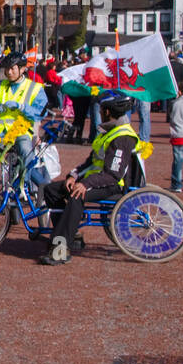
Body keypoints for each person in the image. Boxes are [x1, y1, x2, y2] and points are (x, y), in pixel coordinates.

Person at [38, 91, 141, 265]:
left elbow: (113, 175)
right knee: (52, 190)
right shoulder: (109, 130)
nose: (99, 112)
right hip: (97, 179)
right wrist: (73, 175)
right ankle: (72, 231)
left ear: (108, 111)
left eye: (102, 109)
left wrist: (84, 183)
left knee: (76, 195)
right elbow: (92, 161)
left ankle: (62, 248)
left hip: (113, 184)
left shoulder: (123, 137)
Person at [0, 51, 48, 180]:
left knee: (26, 152)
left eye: (12, 69)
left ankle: (25, 187)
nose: (9, 72)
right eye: (7, 69)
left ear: (22, 69)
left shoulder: (35, 88)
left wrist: (22, 107)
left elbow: (41, 113)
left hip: (21, 130)